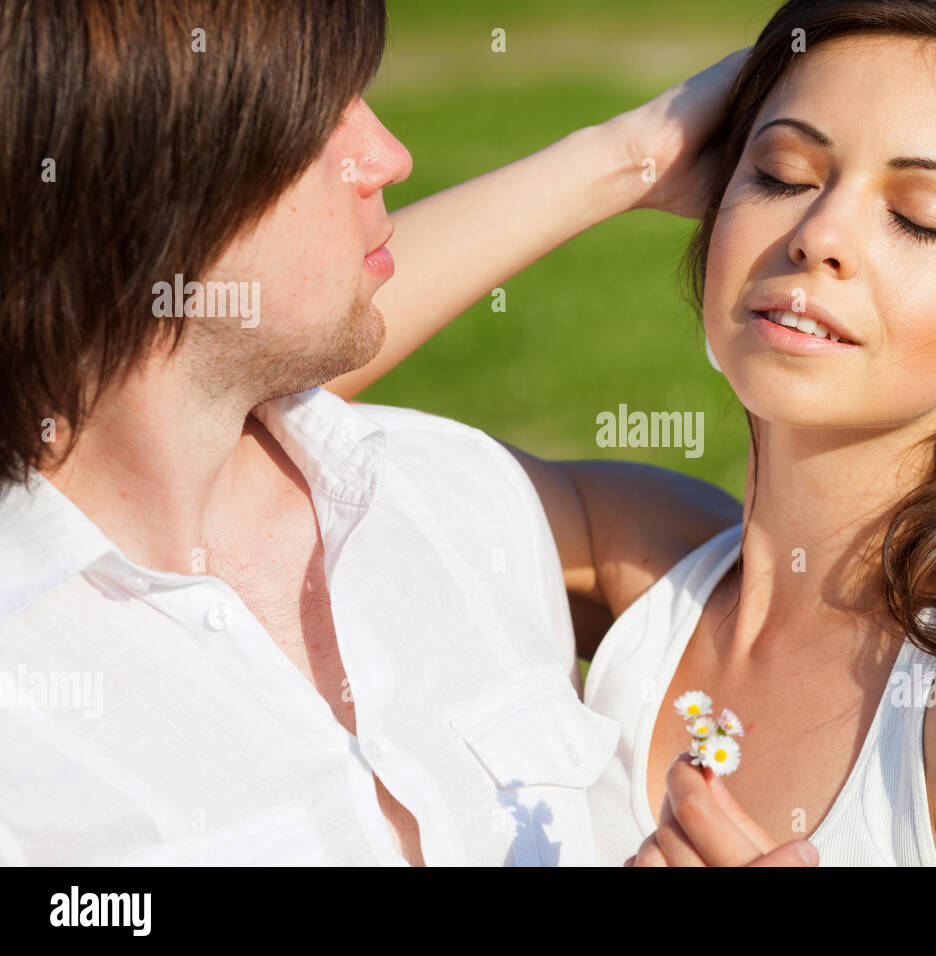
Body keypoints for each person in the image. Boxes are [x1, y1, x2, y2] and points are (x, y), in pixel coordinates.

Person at [342, 0, 936, 866]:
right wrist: (624, 156)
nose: (821, 234)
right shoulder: (641, 561)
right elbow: (276, 393)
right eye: (781, 173)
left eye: (921, 219)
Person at [0, 0, 812, 866]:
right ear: (129, 192)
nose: (389, 156)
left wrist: (633, 159)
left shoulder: (461, 494)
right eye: (316, 117)